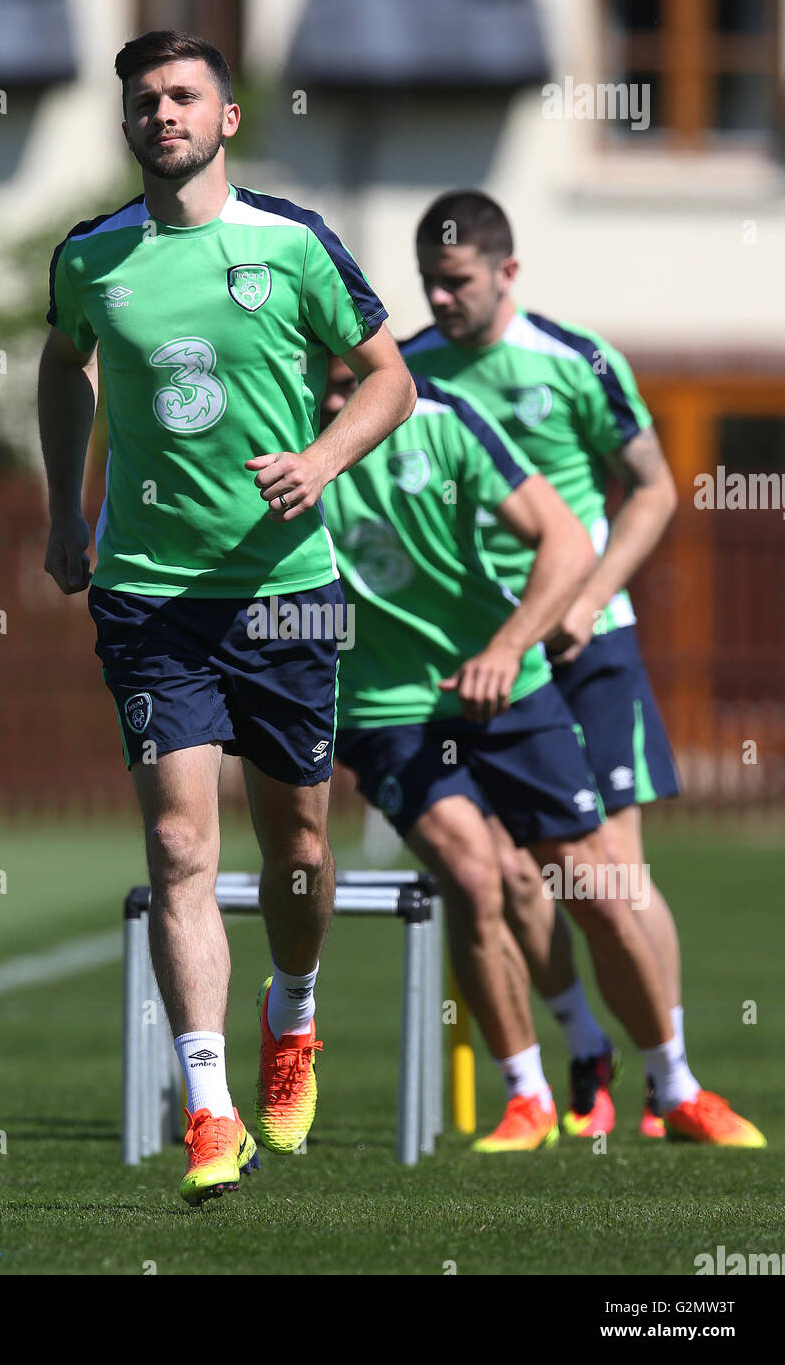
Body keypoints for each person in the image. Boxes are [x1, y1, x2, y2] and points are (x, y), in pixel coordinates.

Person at [38, 31, 416, 1205]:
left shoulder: (291, 243)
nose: (162, 114)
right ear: (126, 124)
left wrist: (322, 457)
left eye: (182, 95)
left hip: (286, 594)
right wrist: (65, 507)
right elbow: (65, 365)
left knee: (296, 849)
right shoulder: (92, 257)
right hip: (151, 593)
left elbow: (390, 379)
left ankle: (290, 1014)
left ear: (226, 117)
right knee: (176, 848)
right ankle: (209, 1110)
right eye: (143, 100)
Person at [400, 189, 765, 1146]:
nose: (440, 301)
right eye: (429, 285)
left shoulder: (575, 359)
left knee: (610, 880)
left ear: (507, 273)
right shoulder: (405, 375)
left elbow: (650, 489)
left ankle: (667, 1080)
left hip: (587, 648)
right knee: (514, 882)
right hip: (481, 657)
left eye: (458, 283)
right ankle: (582, 1053)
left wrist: (591, 593)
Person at [320, 357, 757, 1150]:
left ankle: (675, 1085)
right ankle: (528, 1094)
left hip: (510, 686)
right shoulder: (276, 445)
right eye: (319, 379)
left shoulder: (447, 425)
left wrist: (509, 644)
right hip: (387, 709)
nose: (333, 399)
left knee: (591, 882)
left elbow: (563, 539)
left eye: (352, 382)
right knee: (476, 873)